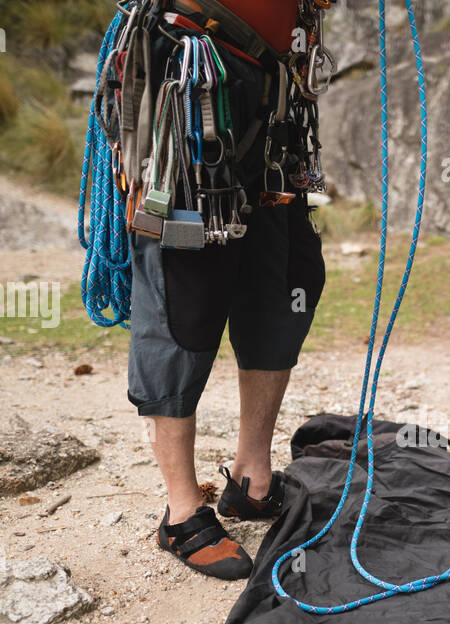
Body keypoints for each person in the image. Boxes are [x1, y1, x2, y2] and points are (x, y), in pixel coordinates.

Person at [127, 0, 326, 580]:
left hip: (275, 96)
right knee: (186, 297)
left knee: (286, 284)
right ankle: (182, 511)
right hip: (190, 76)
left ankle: (251, 480)